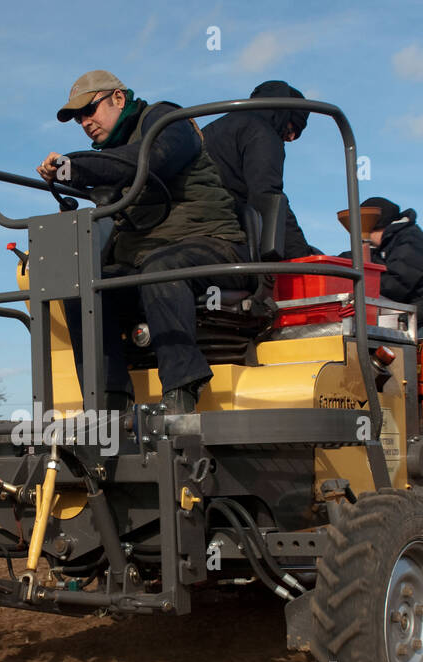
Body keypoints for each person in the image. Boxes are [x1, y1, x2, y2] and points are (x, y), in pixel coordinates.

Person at [37, 70, 248, 414]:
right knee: (82, 285)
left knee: (161, 268)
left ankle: (181, 392)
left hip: (212, 243)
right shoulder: (111, 151)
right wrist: (71, 172)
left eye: (89, 111)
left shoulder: (167, 121)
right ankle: (108, 404)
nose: (85, 123)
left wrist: (75, 166)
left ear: (118, 98)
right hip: (145, 255)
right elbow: (112, 171)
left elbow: (149, 160)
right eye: (78, 119)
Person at [202, 80, 319, 260]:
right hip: (225, 235)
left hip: (193, 227)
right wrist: (302, 256)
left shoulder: (213, 128)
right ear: (284, 115)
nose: (292, 137)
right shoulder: (262, 133)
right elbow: (267, 198)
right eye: (292, 129)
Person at [358, 197, 423, 337]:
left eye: (365, 233)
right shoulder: (381, 250)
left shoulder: (409, 239)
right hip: (412, 322)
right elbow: (348, 258)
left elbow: (396, 285)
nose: (363, 239)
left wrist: (363, 280)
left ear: (377, 225)